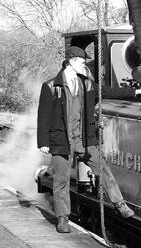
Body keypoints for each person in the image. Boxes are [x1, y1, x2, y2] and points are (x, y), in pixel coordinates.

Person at [36, 46, 135, 234]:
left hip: (85, 140)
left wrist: (134, 93)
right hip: (61, 140)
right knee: (61, 181)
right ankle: (63, 219)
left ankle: (119, 204)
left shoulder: (87, 83)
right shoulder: (50, 86)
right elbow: (44, 116)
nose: (85, 65)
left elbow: (105, 92)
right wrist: (43, 142)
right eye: (82, 62)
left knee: (103, 169)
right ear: (72, 62)